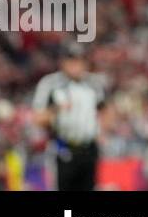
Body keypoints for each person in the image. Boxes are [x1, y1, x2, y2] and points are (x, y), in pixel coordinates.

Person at [32, 54, 105, 191]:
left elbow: (103, 110)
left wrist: (101, 131)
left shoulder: (93, 83)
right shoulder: (50, 83)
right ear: (63, 63)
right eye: (72, 61)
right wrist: (57, 109)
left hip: (89, 148)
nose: (76, 66)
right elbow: (37, 118)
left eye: (79, 61)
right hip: (63, 147)